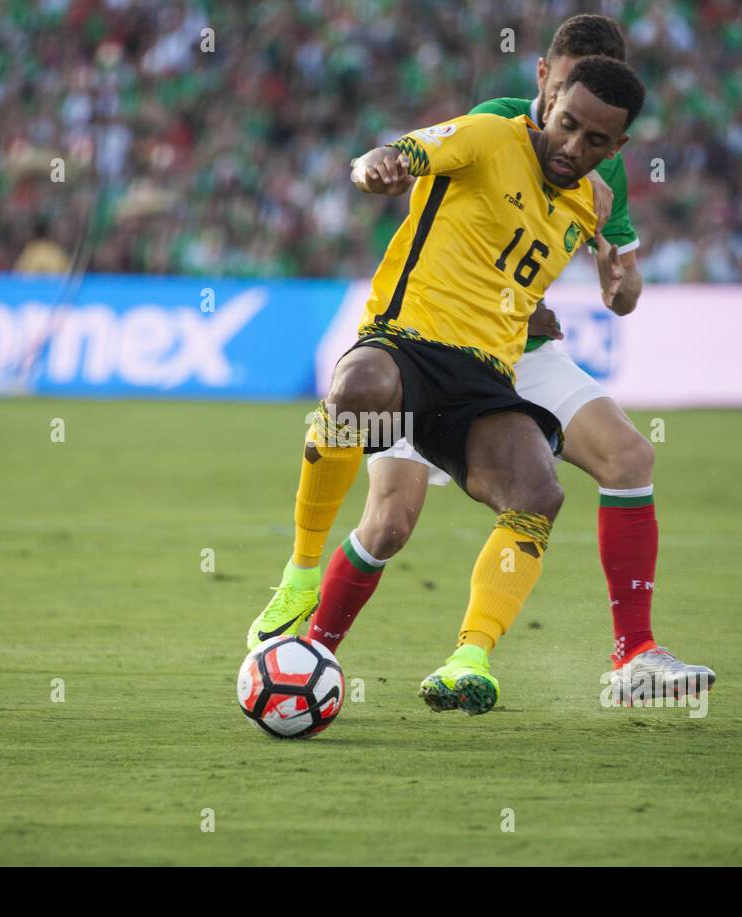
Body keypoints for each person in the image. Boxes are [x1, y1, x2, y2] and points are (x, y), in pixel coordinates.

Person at [253, 56, 645, 715]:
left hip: (483, 381)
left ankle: (470, 658)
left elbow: (528, 268)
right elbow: (399, 153)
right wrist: (374, 167)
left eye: (596, 141)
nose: (575, 147)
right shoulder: (490, 133)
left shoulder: (591, 203)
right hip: (406, 347)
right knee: (357, 394)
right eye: (568, 125)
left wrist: (569, 288)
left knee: (538, 493)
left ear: (618, 148)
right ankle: (300, 575)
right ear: (548, 104)